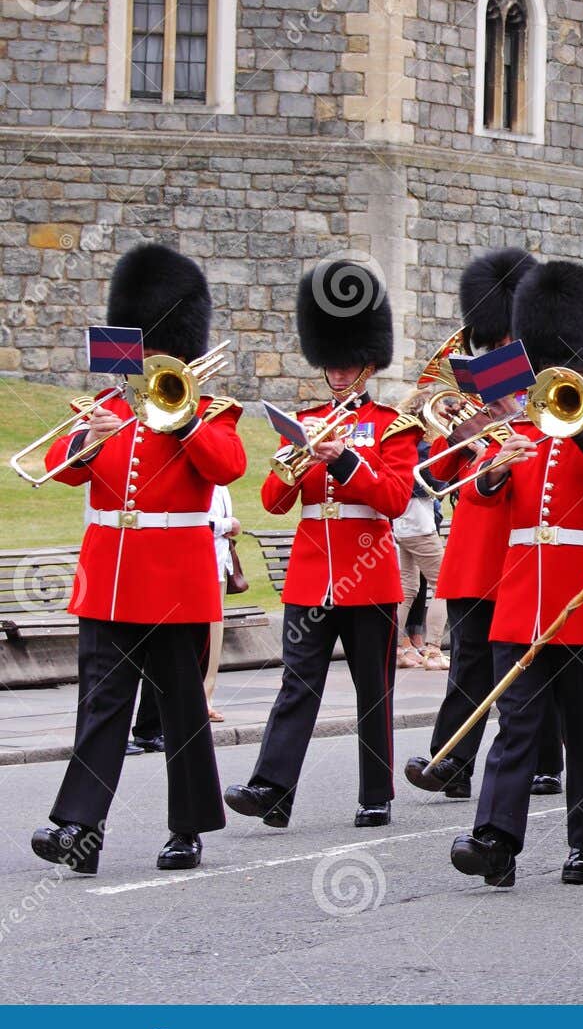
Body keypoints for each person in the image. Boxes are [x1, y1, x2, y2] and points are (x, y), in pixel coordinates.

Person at [31, 244, 244, 875]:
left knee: (181, 713)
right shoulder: (108, 411)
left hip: (176, 586)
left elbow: (228, 465)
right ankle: (78, 828)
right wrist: (82, 438)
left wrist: (179, 422)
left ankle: (188, 830)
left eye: (158, 349)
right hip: (107, 585)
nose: (149, 361)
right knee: (100, 708)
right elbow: (55, 472)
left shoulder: (207, 410)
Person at [449, 261, 583, 888]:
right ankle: (496, 838)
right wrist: (495, 470)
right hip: (521, 601)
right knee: (516, 725)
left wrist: (582, 434)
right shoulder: (515, 434)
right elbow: (479, 502)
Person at [225, 260, 421, 830]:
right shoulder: (305, 420)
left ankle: (375, 793)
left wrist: (349, 460)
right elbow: (272, 500)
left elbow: (392, 498)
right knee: (297, 684)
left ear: (368, 363)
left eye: (348, 362)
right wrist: (297, 462)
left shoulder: (393, 426)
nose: (338, 371)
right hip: (312, 575)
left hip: (371, 575)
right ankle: (272, 788)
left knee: (373, 691)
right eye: (331, 362)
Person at [405, 247, 536, 802]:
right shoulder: (471, 396)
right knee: (471, 666)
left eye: (510, 339)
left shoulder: (552, 387)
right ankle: (451, 761)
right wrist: (464, 430)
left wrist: (515, 420)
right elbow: (431, 475)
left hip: (525, 551)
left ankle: (538, 760)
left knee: (527, 670)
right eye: (497, 340)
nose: (502, 347)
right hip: (475, 552)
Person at [394, 387, 448, 670]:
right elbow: (439, 484)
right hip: (420, 522)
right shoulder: (426, 449)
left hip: (400, 522)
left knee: (407, 587)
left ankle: (394, 650)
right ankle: (434, 650)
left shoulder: (401, 444)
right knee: (444, 584)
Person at [206, 482, 241, 723]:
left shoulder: (220, 482)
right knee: (205, 637)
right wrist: (228, 525)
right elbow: (198, 521)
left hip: (217, 564)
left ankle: (206, 697)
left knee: (214, 636)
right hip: (200, 567)